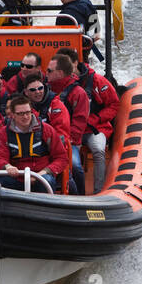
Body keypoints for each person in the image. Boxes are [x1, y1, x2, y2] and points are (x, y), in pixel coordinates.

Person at [55, 47, 117, 193]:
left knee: (98, 150)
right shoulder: (56, 83)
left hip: (93, 128)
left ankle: (98, 190)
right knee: (67, 159)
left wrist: (96, 119)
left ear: (76, 63)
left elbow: (114, 104)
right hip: (68, 130)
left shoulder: (96, 81)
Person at [0, 95, 69, 192]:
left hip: (41, 176)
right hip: (16, 178)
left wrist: (43, 173)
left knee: (47, 181)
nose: (25, 116)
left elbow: (61, 158)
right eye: (20, 114)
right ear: (12, 115)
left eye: (28, 112)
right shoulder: (2, 133)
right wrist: (8, 166)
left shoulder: (47, 130)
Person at [45, 52, 89, 194]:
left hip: (69, 141)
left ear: (60, 73)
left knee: (75, 166)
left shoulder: (78, 93)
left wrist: (65, 144)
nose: (46, 74)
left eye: (49, 71)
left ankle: (82, 197)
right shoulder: (44, 90)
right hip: (46, 140)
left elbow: (79, 124)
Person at [20, 70, 71, 138]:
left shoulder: (55, 104)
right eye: (33, 90)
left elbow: (61, 133)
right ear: (26, 92)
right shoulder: (20, 106)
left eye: (40, 88)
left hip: (53, 143)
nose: (38, 92)